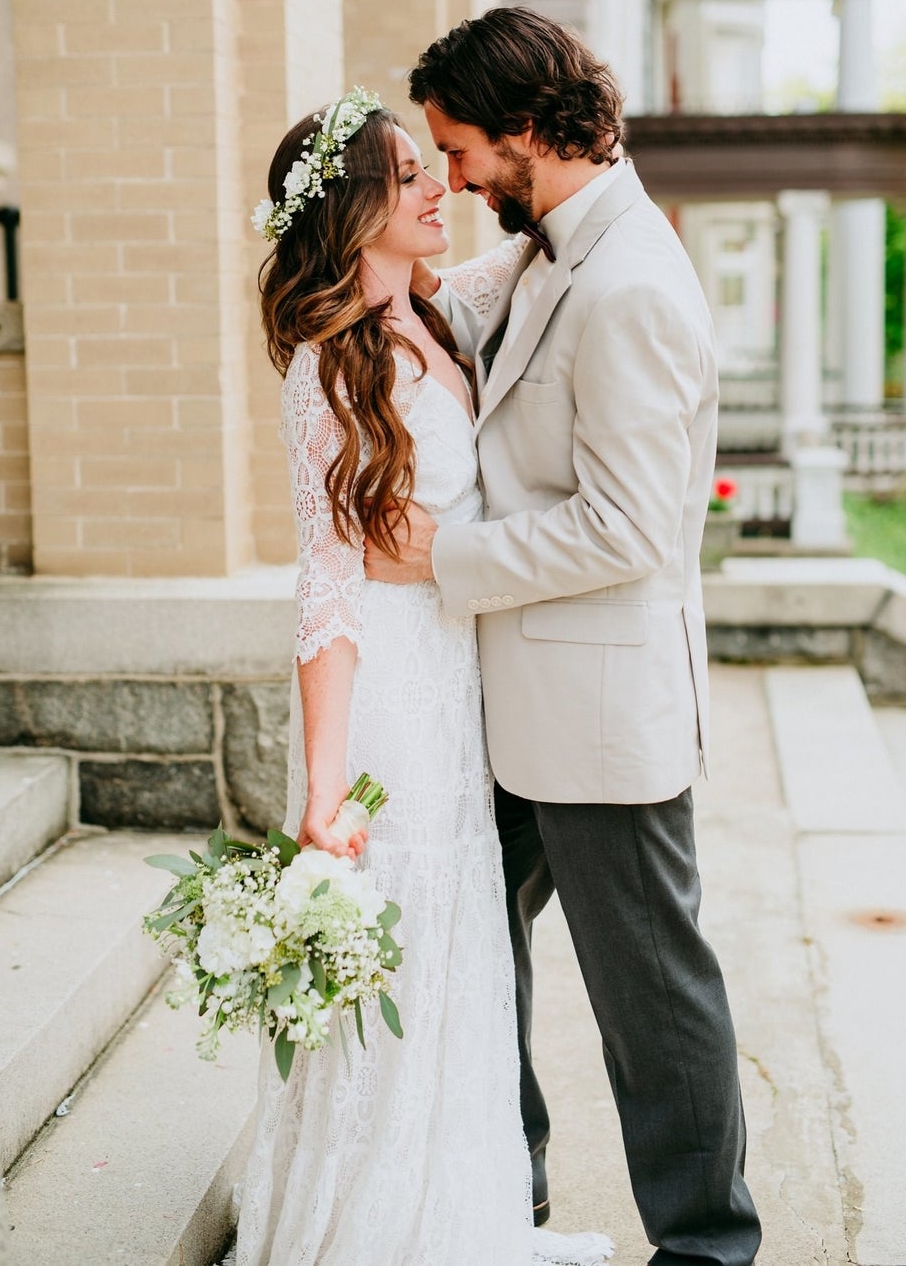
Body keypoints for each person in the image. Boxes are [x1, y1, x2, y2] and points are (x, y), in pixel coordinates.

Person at [364, 8, 763, 1266]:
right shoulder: (550, 249)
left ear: (530, 131)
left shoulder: (634, 281)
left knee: (653, 997)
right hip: (515, 709)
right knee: (477, 933)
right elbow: (442, 303)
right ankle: (503, 1177)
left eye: (462, 150)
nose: (457, 178)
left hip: (600, 723)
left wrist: (447, 560)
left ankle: (707, 1245)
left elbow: (632, 528)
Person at [228, 87, 612, 1266]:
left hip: (459, 681)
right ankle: (369, 1228)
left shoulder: (434, 324)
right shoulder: (326, 368)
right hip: (390, 693)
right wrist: (325, 791)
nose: (438, 187)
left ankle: (461, 1214)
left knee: (457, 951)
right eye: (409, 176)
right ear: (353, 212)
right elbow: (328, 588)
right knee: (401, 936)